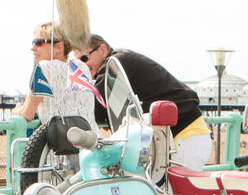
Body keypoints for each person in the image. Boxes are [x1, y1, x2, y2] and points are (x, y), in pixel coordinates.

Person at [77, 34, 213, 170]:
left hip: (185, 136)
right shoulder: (122, 62)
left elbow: (97, 108)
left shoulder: (115, 64)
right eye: (77, 63)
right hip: (176, 138)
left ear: (102, 49)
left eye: (84, 58)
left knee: (174, 189)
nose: (83, 66)